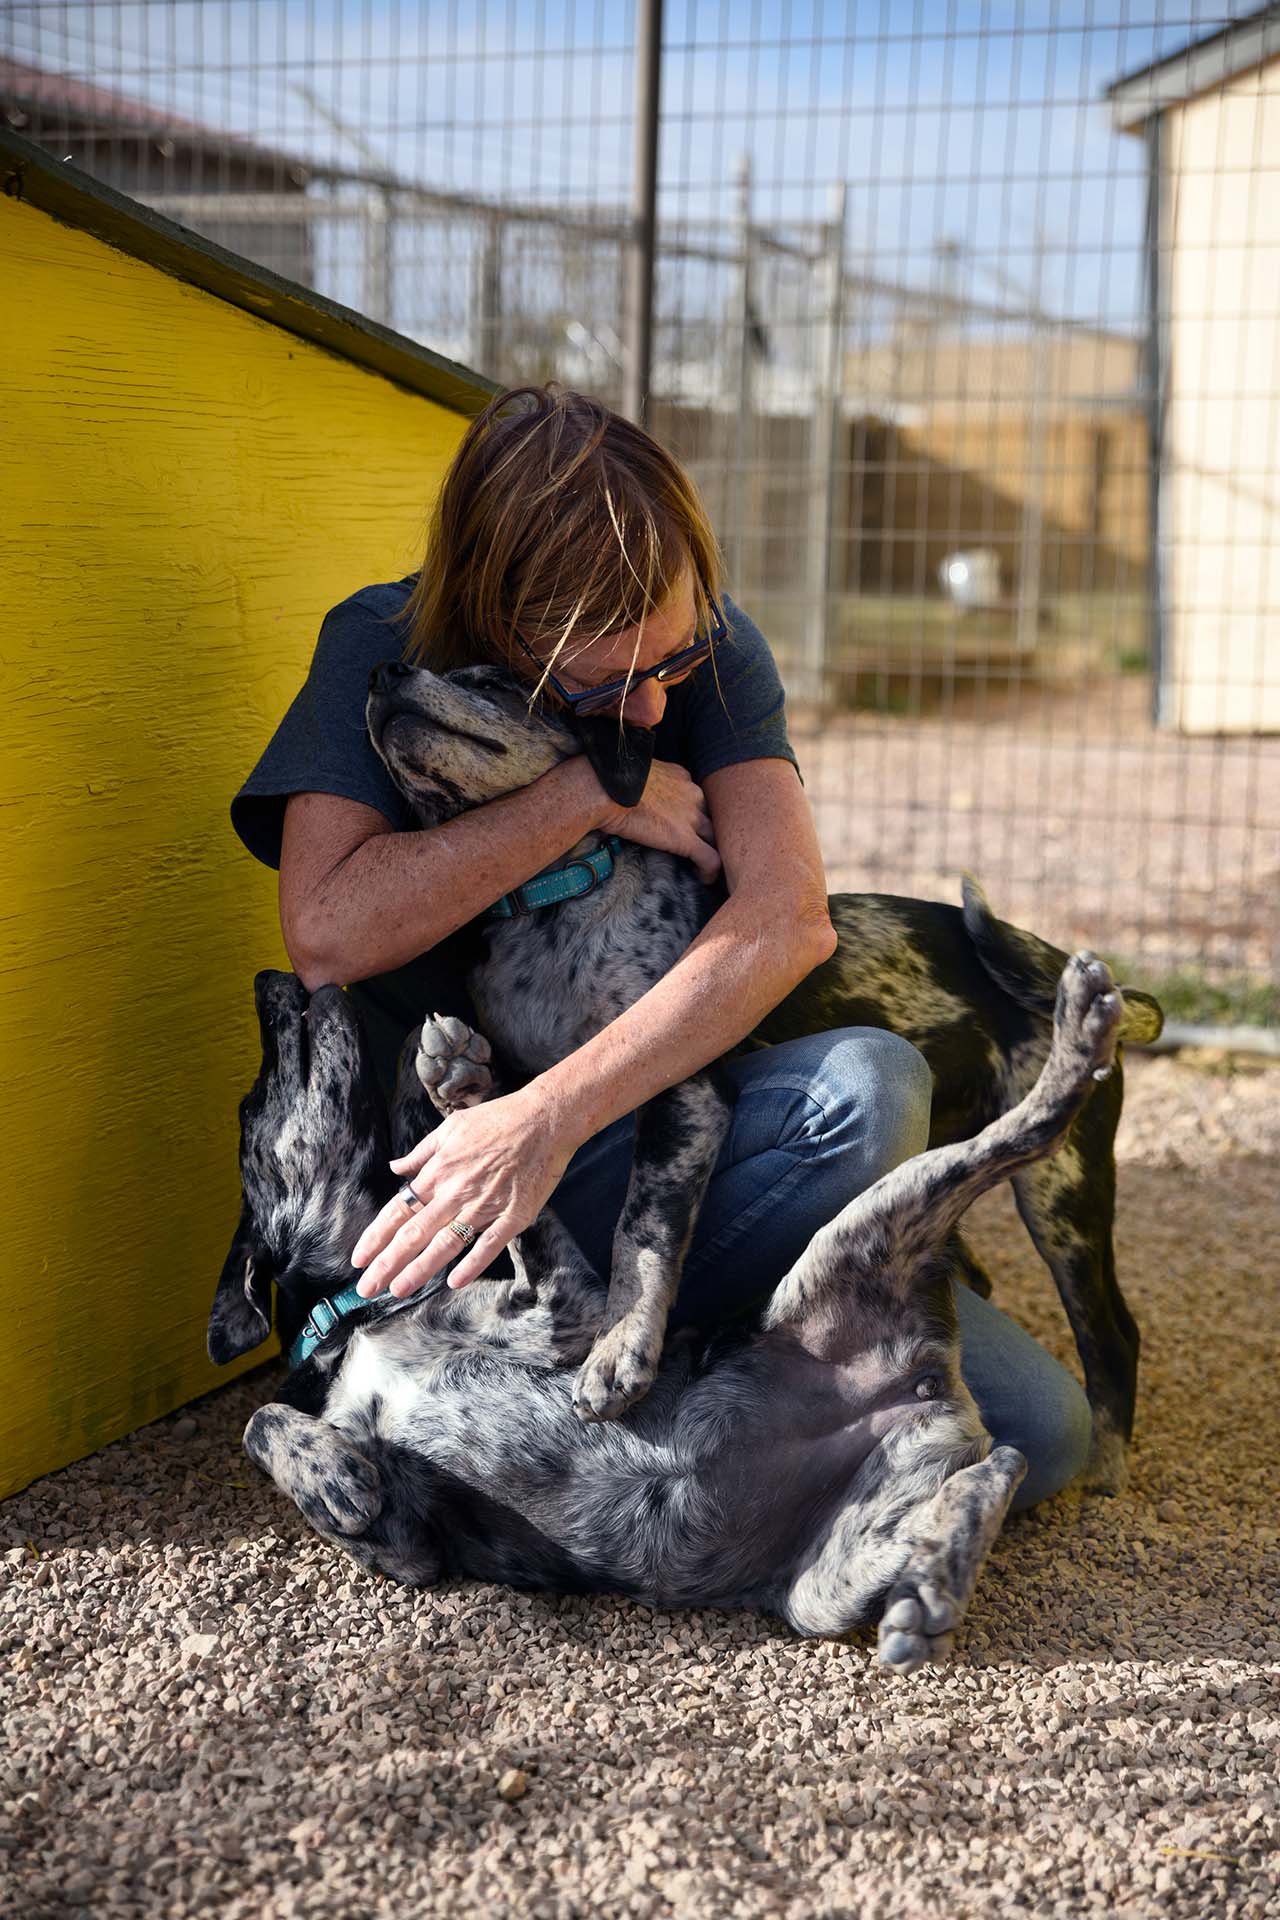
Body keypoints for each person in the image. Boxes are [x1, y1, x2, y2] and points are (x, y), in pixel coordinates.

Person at [232, 383, 1091, 1508]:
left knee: (1041, 1431)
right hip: (458, 1198)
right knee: (861, 1103)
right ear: (494, 617)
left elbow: (785, 921)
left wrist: (549, 1116)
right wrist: (588, 794)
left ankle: (647, 1397)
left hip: (635, 1156)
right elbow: (328, 932)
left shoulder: (714, 649)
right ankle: (678, 1399)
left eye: (670, 668)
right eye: (601, 685)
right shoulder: (380, 646)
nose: (647, 711)